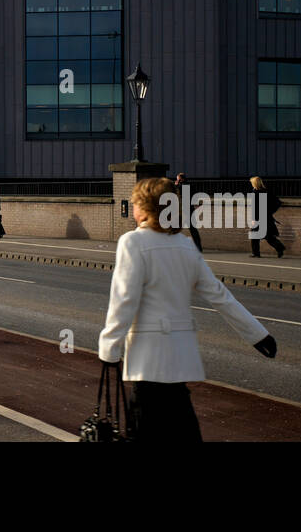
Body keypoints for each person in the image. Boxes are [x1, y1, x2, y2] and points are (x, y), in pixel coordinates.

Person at [99, 177, 277, 442]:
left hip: (149, 364)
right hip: (181, 361)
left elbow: (124, 301)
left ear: (144, 208)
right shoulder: (185, 245)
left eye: (136, 203)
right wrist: (258, 334)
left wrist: (109, 349)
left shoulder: (133, 243)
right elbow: (219, 295)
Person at [248, 176, 285, 258]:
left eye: (251, 182)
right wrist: (269, 212)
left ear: (254, 183)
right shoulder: (267, 191)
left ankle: (256, 253)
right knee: (268, 236)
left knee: (255, 236)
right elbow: (278, 203)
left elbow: (255, 207)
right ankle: (280, 248)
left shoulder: (255, 192)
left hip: (258, 218)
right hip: (266, 218)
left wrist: (253, 219)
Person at [175, 172, 201, 252]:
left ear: (182, 179)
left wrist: (176, 185)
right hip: (189, 209)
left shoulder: (182, 186)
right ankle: (198, 247)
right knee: (193, 230)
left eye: (178, 179)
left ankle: (174, 247)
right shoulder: (191, 185)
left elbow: (178, 191)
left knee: (175, 229)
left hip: (183, 210)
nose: (177, 181)